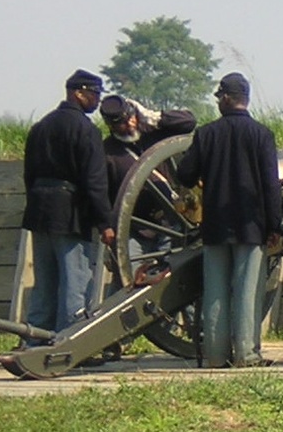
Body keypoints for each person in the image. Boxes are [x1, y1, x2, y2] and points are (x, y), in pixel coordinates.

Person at [175, 73, 283, 368]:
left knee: (215, 293)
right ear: (244, 100)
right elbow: (270, 186)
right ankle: (247, 354)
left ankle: (214, 354)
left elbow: (184, 173)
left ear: (226, 98)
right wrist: (275, 225)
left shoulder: (207, 134)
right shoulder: (261, 135)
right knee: (247, 293)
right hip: (251, 225)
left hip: (216, 224)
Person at [21, 69, 115, 333]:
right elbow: (95, 182)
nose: (97, 101)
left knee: (45, 281)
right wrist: (105, 222)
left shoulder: (40, 127)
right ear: (78, 93)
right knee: (76, 278)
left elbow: (29, 175)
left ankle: (36, 335)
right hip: (70, 212)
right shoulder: (86, 130)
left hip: (40, 209)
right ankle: (68, 337)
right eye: (94, 94)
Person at [99, 94, 198, 202]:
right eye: (123, 123)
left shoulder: (155, 132)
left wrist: (154, 118)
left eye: (131, 117)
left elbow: (189, 122)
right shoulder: (108, 153)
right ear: (111, 126)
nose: (130, 124)